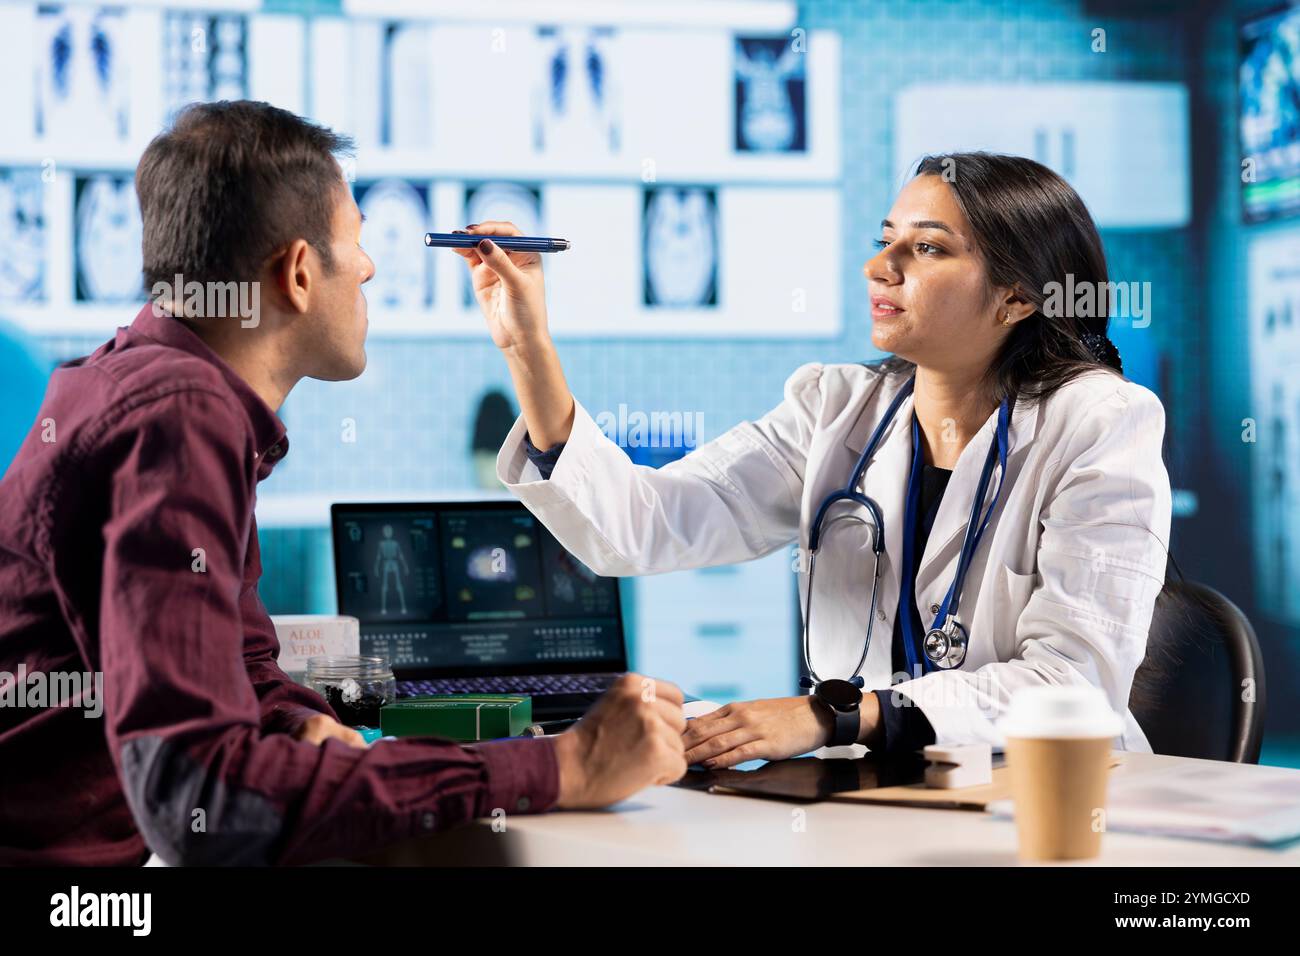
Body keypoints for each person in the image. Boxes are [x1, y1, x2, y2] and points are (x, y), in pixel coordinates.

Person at [0, 100, 686, 866]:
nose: (367, 267)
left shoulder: (148, 379)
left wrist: (301, 725)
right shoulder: (181, 415)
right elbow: (201, 792)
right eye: (355, 243)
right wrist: (565, 766)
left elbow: (241, 662)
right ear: (298, 272)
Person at [455, 151, 1172, 769]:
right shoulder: (836, 408)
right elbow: (639, 527)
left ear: (1017, 297)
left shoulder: (1100, 423)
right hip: (871, 791)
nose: (877, 267)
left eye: (925, 249)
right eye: (884, 240)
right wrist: (526, 345)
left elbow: (1073, 684)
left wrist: (832, 714)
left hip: (1047, 799)